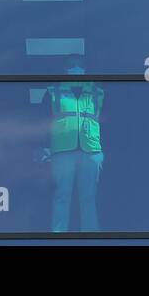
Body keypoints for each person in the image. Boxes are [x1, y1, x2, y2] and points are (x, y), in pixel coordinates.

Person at [41, 55, 104, 232]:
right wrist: (44, 147)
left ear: (86, 68)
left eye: (80, 65)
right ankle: (58, 235)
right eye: (71, 65)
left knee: (89, 197)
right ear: (64, 68)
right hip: (62, 151)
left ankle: (91, 236)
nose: (76, 68)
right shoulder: (54, 91)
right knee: (62, 196)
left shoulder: (97, 91)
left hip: (90, 151)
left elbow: (108, 122)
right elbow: (42, 121)